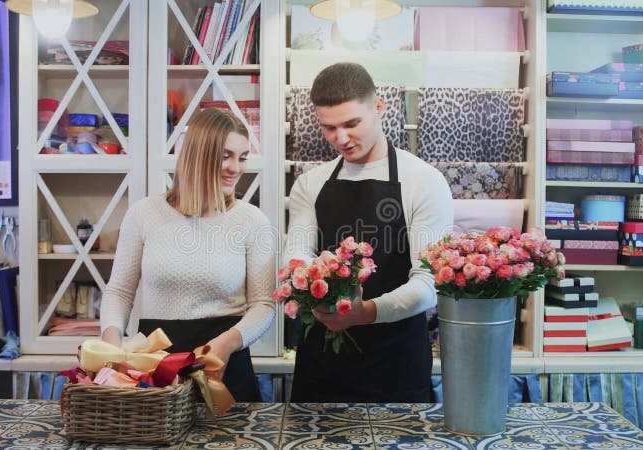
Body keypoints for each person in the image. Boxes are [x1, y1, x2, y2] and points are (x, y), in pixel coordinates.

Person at [285, 62, 454, 402]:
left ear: (379, 107)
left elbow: (427, 285)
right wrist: (305, 285)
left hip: (396, 366)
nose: (341, 138)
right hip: (321, 367)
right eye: (329, 128)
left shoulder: (424, 182)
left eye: (352, 123)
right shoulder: (309, 183)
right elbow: (297, 257)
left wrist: (364, 313)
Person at [100, 108, 276, 401]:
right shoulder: (144, 214)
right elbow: (119, 291)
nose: (236, 167)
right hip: (153, 372)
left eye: (242, 157)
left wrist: (226, 344)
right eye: (225, 156)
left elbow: (264, 305)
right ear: (197, 155)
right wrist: (111, 349)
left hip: (223, 367)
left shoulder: (252, 221)